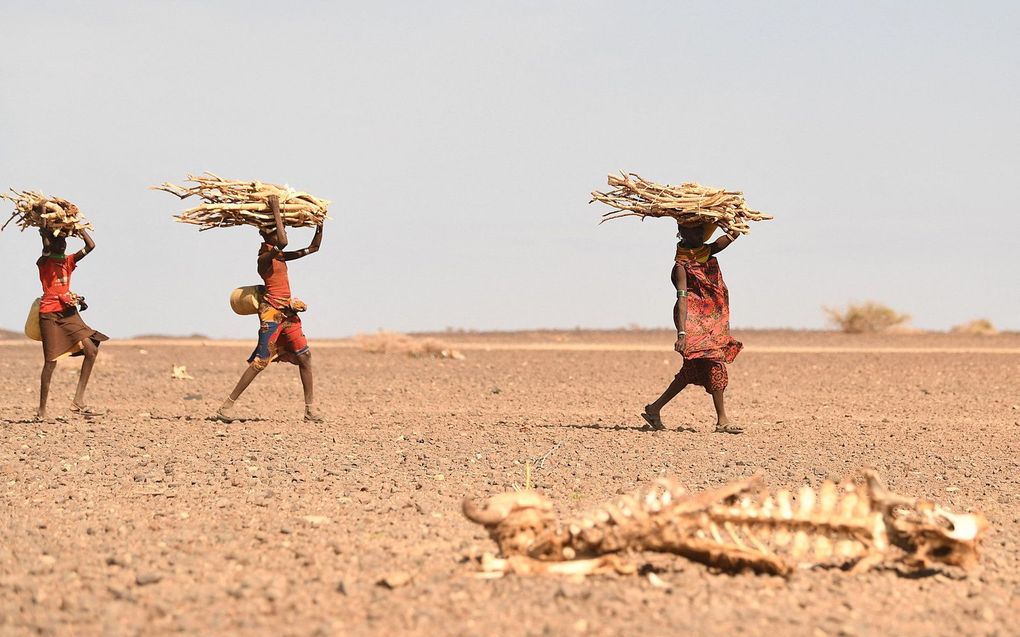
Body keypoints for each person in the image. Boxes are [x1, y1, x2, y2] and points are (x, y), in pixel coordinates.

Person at [215, 195, 324, 423]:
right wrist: (276, 209)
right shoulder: (264, 258)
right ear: (267, 234)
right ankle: (226, 407)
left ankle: (310, 410)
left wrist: (319, 223)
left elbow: (314, 248)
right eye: (275, 230)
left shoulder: (281, 256)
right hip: (272, 314)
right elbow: (282, 241)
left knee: (305, 357)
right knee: (260, 362)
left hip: (288, 313)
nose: (281, 233)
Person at [641, 221, 743, 433]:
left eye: (700, 231)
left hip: (713, 321)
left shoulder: (706, 251)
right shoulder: (681, 266)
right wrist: (682, 333)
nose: (697, 235)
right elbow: (683, 300)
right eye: (691, 231)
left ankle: (654, 408)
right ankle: (722, 421)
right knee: (715, 363)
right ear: (681, 233)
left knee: (691, 371)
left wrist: (726, 221)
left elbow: (733, 234)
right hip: (694, 323)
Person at [36, 219, 108, 419]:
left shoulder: (69, 261)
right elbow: (46, 243)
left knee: (91, 349)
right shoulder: (45, 261)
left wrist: (78, 226)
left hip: (68, 312)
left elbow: (90, 246)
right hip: (50, 314)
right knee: (50, 362)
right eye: (59, 241)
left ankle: (78, 401)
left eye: (65, 241)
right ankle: (42, 411)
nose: (63, 244)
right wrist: (44, 225)